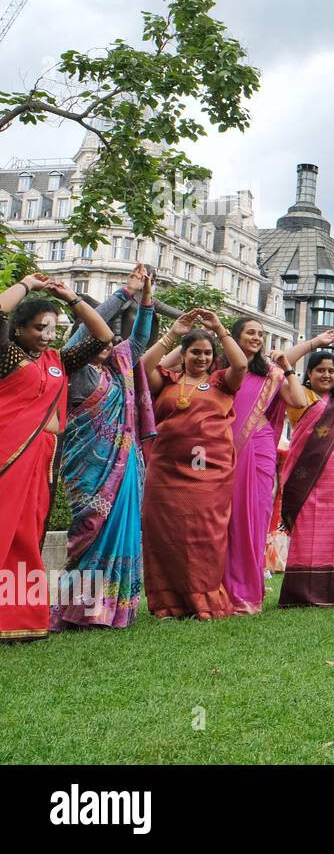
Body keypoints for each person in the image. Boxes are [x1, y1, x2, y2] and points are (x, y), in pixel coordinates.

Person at [159, 316, 308, 613]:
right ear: (235, 336)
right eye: (250, 333)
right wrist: (191, 333)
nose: (256, 338)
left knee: (253, 516)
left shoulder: (272, 374)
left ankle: (246, 593)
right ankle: (216, 588)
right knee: (220, 519)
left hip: (260, 447)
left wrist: (289, 367)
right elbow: (165, 366)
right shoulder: (217, 370)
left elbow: (299, 400)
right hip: (220, 447)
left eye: (260, 334)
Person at [0, 273, 113, 641]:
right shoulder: (8, 355)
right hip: (8, 454)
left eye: (53, 328)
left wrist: (71, 298)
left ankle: (19, 618)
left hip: (44, 455)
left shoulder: (57, 361)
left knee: (29, 532)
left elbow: (102, 337)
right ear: (17, 329)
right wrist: (29, 285)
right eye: (38, 328)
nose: (47, 335)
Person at [53, 265, 156, 629]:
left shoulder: (120, 369)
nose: (109, 342)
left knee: (122, 532)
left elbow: (140, 338)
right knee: (88, 533)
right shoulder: (76, 368)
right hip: (89, 470)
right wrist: (124, 293)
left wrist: (146, 299)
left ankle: (111, 609)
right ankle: (74, 610)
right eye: (102, 337)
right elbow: (86, 327)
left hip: (125, 467)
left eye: (113, 338)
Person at [139, 309, 248, 619]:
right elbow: (144, 365)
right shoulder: (167, 381)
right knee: (165, 537)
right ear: (183, 355)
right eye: (195, 352)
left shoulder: (222, 383)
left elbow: (240, 363)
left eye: (206, 353)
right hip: (165, 473)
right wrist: (174, 332)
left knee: (205, 537)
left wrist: (219, 328)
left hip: (208, 475)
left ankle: (204, 601)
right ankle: (168, 603)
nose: (201, 357)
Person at [276, 330, 334, 607]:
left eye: (331, 371)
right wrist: (315, 343)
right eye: (320, 370)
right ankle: (302, 594)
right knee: (307, 529)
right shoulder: (299, 393)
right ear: (309, 373)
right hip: (305, 475)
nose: (326, 375)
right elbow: (280, 366)